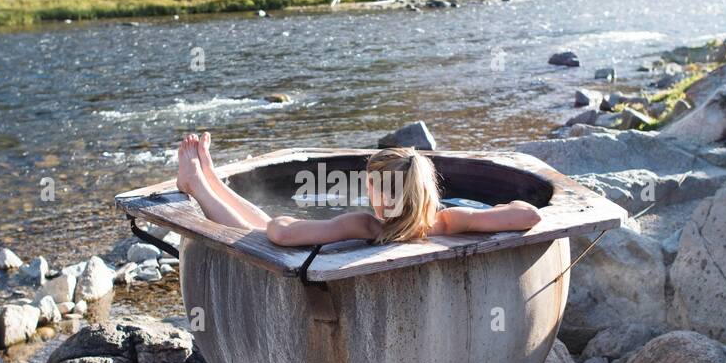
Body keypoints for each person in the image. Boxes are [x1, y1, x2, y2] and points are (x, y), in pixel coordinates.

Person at [174, 132, 542, 247]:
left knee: (257, 232)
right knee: (265, 222)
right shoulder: (448, 220)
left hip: (279, 257)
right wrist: (510, 203)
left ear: (374, 187)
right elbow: (529, 214)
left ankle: (200, 187)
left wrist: (285, 221)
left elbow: (280, 235)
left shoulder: (365, 226)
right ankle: (211, 178)